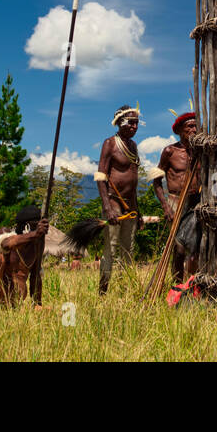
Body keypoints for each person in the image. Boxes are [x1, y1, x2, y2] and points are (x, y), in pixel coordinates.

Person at [95, 105, 144, 295]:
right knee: (111, 250)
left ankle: (126, 291)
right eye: (131, 123)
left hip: (130, 206)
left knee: (128, 251)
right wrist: (107, 208)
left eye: (137, 123)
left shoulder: (133, 146)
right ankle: (103, 292)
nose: (134, 127)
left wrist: (138, 211)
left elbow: (133, 183)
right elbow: (101, 176)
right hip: (114, 203)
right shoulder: (110, 144)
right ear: (120, 122)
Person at [151, 111, 200, 285]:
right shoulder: (170, 151)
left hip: (196, 201)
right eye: (190, 126)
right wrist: (165, 206)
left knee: (195, 246)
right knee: (179, 247)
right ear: (179, 130)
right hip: (175, 201)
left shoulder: (200, 152)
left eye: (196, 126)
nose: (194, 129)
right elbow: (156, 182)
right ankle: (177, 284)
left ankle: (193, 284)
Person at [0, 205, 49, 308]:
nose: (38, 229)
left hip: (15, 302)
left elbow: (35, 275)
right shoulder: (5, 233)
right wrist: (35, 234)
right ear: (26, 226)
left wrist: (37, 303)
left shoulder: (37, 243)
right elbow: (4, 244)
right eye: (35, 225)